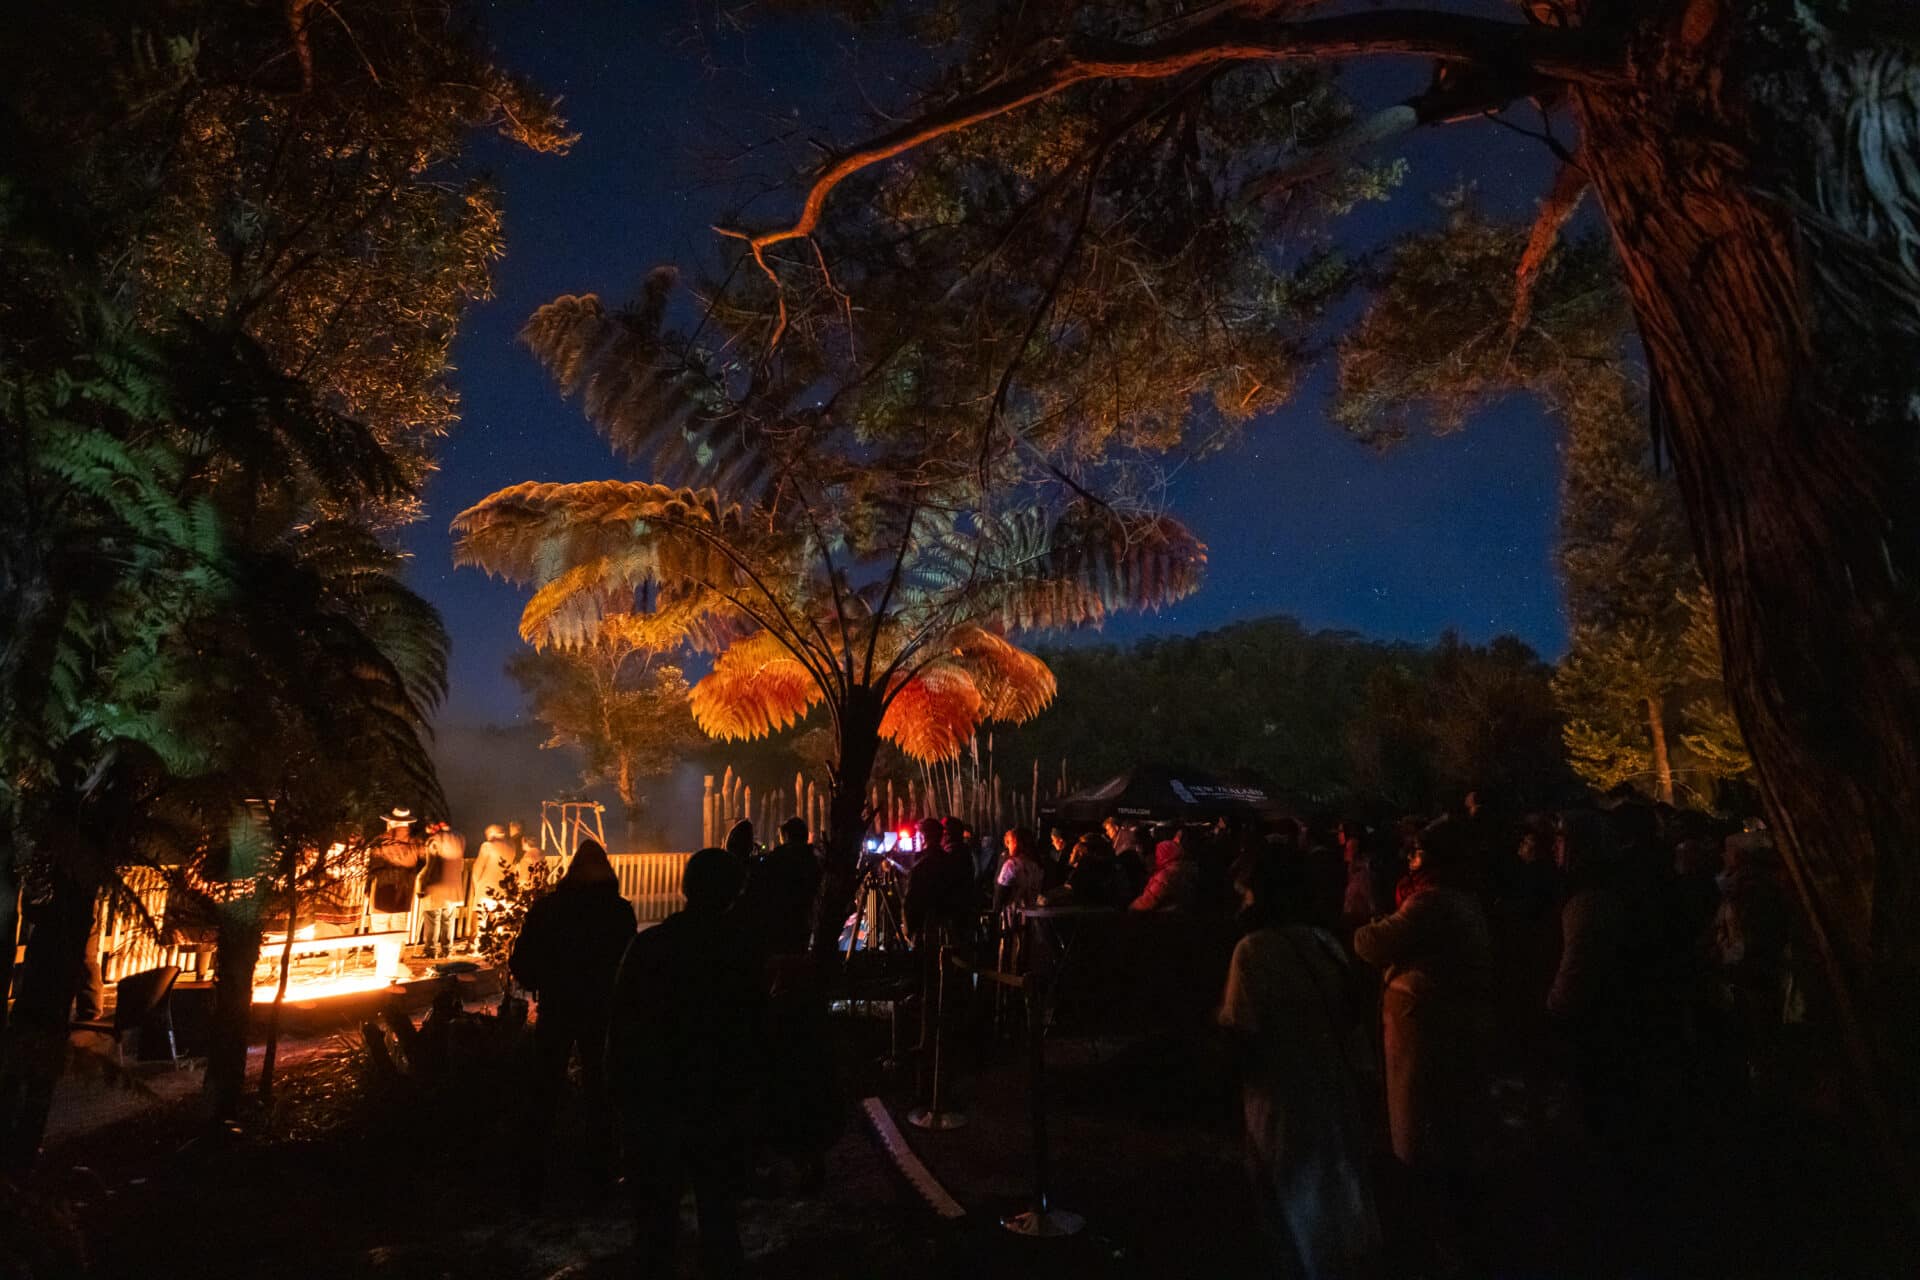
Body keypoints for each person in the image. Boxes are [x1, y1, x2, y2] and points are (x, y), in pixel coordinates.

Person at [1221, 853, 1383, 1278]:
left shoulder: (1252, 951)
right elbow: (1350, 1017)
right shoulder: (1323, 941)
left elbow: (1242, 1032)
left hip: (1279, 1097)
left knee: (1286, 1209)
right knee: (1329, 1207)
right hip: (1330, 1088)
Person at [609, 847, 764, 1278]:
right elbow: (754, 1027)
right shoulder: (741, 952)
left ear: (685, 888)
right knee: (719, 1213)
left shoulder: (651, 944)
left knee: (656, 1221)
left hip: (657, 1099)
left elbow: (622, 1020)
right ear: (735, 893)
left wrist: (619, 1089)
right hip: (718, 1101)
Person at [1352, 817, 1492, 1177]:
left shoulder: (1431, 901)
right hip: (1440, 1014)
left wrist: (1370, 918)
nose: (1410, 859)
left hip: (1424, 1019)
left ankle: (1427, 1185)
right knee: (1444, 1110)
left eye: (1416, 853)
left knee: (1420, 1111)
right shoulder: (1457, 897)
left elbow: (1373, 943)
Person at [509, 839, 637, 1203]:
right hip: (601, 1009)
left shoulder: (549, 908)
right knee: (600, 1087)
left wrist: (539, 982)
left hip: (558, 1006)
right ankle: (599, 1170)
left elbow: (523, 959)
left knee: (545, 1085)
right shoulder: (618, 911)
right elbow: (628, 961)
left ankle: (532, 1173)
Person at [738, 816, 820, 958]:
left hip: (779, 925)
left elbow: (759, 882)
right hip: (804, 922)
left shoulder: (779, 858)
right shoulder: (813, 860)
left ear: (787, 836)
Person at [905, 816, 976, 945]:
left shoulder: (925, 863)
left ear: (923, 837)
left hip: (929, 927)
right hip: (948, 923)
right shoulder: (950, 859)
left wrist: (909, 929)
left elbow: (912, 899)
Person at [415, 821, 466, 959]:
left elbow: (430, 865)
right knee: (448, 919)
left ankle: (430, 950)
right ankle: (447, 949)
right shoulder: (460, 838)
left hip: (436, 885)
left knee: (432, 918)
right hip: (454, 886)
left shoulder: (434, 841)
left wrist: (422, 882)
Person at [367, 807, 422, 934]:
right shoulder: (415, 843)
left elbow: (371, 867)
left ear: (391, 822)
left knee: (379, 932)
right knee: (397, 933)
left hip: (381, 893)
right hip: (404, 895)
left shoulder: (380, 841)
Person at [1130, 826, 1199, 912]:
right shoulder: (1185, 867)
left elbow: (1146, 903)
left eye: (1157, 855)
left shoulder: (1165, 876)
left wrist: (1130, 908)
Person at [468, 823, 517, 938]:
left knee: (481, 916)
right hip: (503, 888)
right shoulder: (511, 846)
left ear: (491, 833)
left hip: (486, 886)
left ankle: (477, 942)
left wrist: (476, 885)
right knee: (499, 916)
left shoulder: (487, 846)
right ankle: (497, 941)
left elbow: (478, 868)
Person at [993, 827, 1046, 916]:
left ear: (1017, 843)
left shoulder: (1011, 865)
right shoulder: (1036, 866)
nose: (1007, 845)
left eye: (1009, 842)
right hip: (1033, 915)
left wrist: (995, 913)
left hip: (1013, 917)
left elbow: (1000, 895)